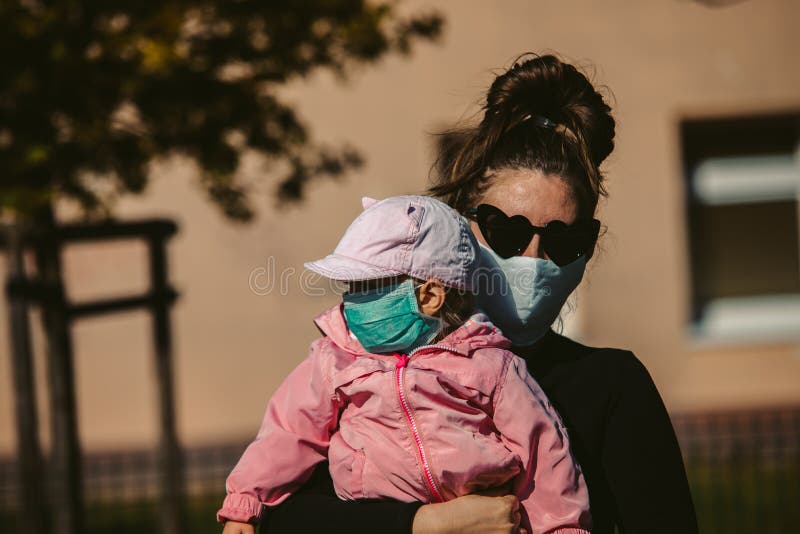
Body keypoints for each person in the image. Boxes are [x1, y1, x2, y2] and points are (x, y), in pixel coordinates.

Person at [260, 54, 698, 534]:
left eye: (562, 241)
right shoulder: (371, 366)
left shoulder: (611, 386)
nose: (533, 259)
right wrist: (425, 525)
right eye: (507, 232)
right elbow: (279, 517)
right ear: (458, 227)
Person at [219, 195, 592, 534]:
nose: (351, 302)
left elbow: (544, 450)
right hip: (380, 520)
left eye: (366, 287)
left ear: (430, 296)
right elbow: (288, 431)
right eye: (350, 288)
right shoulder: (335, 359)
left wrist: (562, 528)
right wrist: (245, 501)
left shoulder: (488, 365)